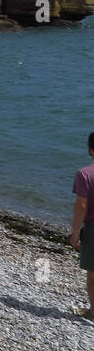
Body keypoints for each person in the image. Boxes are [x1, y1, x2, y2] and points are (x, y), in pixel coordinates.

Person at [70, 132, 94, 320]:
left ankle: (93, 311)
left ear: (90, 150)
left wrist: (75, 232)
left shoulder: (85, 174)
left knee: (93, 273)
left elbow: (82, 205)